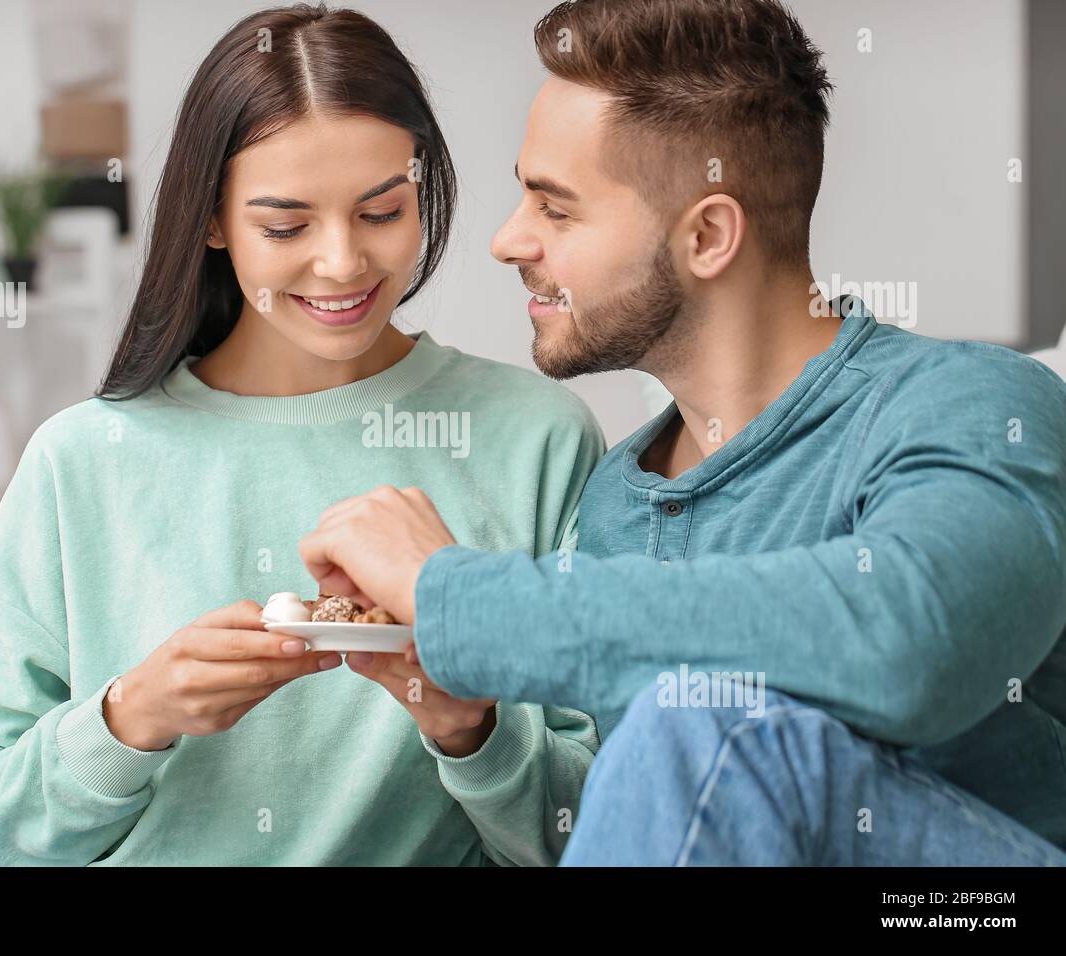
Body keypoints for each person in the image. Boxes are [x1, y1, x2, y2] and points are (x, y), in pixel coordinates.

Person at [297, 0, 1066, 865]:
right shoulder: (617, 500)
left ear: (706, 235)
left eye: (555, 209)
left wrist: (453, 597)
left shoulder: (970, 404)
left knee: (698, 724)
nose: (508, 241)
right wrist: (469, 727)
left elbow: (912, 643)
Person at [0, 4, 605, 867]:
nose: (344, 263)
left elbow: (608, 835)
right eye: (284, 226)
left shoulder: (537, 441)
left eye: (382, 212)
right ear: (210, 221)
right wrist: (131, 718)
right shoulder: (81, 462)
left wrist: (472, 727)